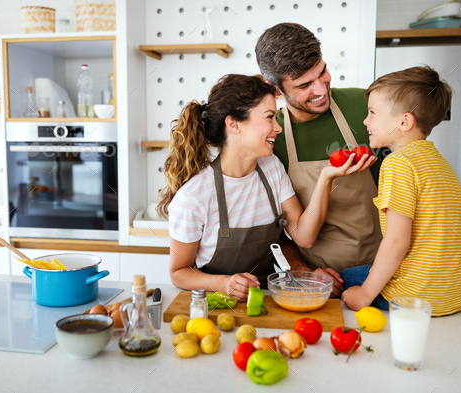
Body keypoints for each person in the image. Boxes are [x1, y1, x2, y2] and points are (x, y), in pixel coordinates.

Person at [254, 23, 461, 293]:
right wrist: (301, 271)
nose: (320, 89)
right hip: (324, 282)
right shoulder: (272, 138)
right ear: (276, 89)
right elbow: (270, 231)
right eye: (305, 85)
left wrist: (456, 221)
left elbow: (419, 175)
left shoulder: (366, 106)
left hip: (393, 275)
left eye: (322, 72)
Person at [157, 74, 374, 301]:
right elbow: (179, 273)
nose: (277, 128)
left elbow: (304, 236)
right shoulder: (194, 197)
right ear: (233, 124)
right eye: (269, 117)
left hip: (269, 299)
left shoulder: (270, 168)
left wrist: (326, 178)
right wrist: (222, 282)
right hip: (217, 304)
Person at [341, 66, 461, 316]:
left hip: (412, 298)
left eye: (372, 112)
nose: (365, 121)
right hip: (450, 297)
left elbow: (397, 242)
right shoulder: (439, 163)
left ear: (404, 121)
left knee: (337, 280)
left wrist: (364, 295)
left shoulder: (398, 163)